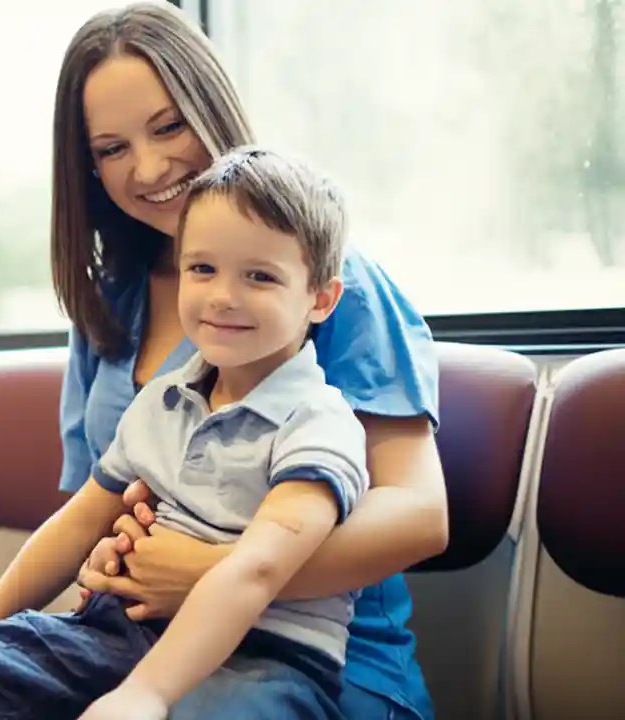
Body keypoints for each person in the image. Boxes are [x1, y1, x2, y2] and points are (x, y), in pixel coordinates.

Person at [0, 146, 369, 720]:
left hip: (263, 659)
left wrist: (146, 693)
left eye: (259, 276)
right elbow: (81, 520)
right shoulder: (162, 399)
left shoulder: (319, 421)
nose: (222, 295)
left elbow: (256, 569)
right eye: (202, 268)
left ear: (321, 299)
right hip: (122, 629)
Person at [49, 4, 445, 719]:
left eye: (169, 126)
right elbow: (91, 511)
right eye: (111, 148)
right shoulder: (108, 306)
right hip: (139, 643)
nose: (149, 166)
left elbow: (418, 515)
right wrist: (104, 564)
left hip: (321, 665)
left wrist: (208, 574)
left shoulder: (328, 287)